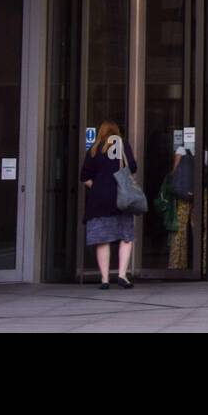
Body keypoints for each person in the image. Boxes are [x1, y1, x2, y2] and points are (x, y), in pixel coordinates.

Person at [81, 121, 138, 289]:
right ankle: (122, 275)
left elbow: (84, 177)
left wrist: (98, 187)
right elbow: (133, 167)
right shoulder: (122, 145)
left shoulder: (94, 148)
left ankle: (105, 279)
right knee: (126, 237)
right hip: (121, 197)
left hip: (99, 199)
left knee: (102, 239)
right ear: (117, 132)